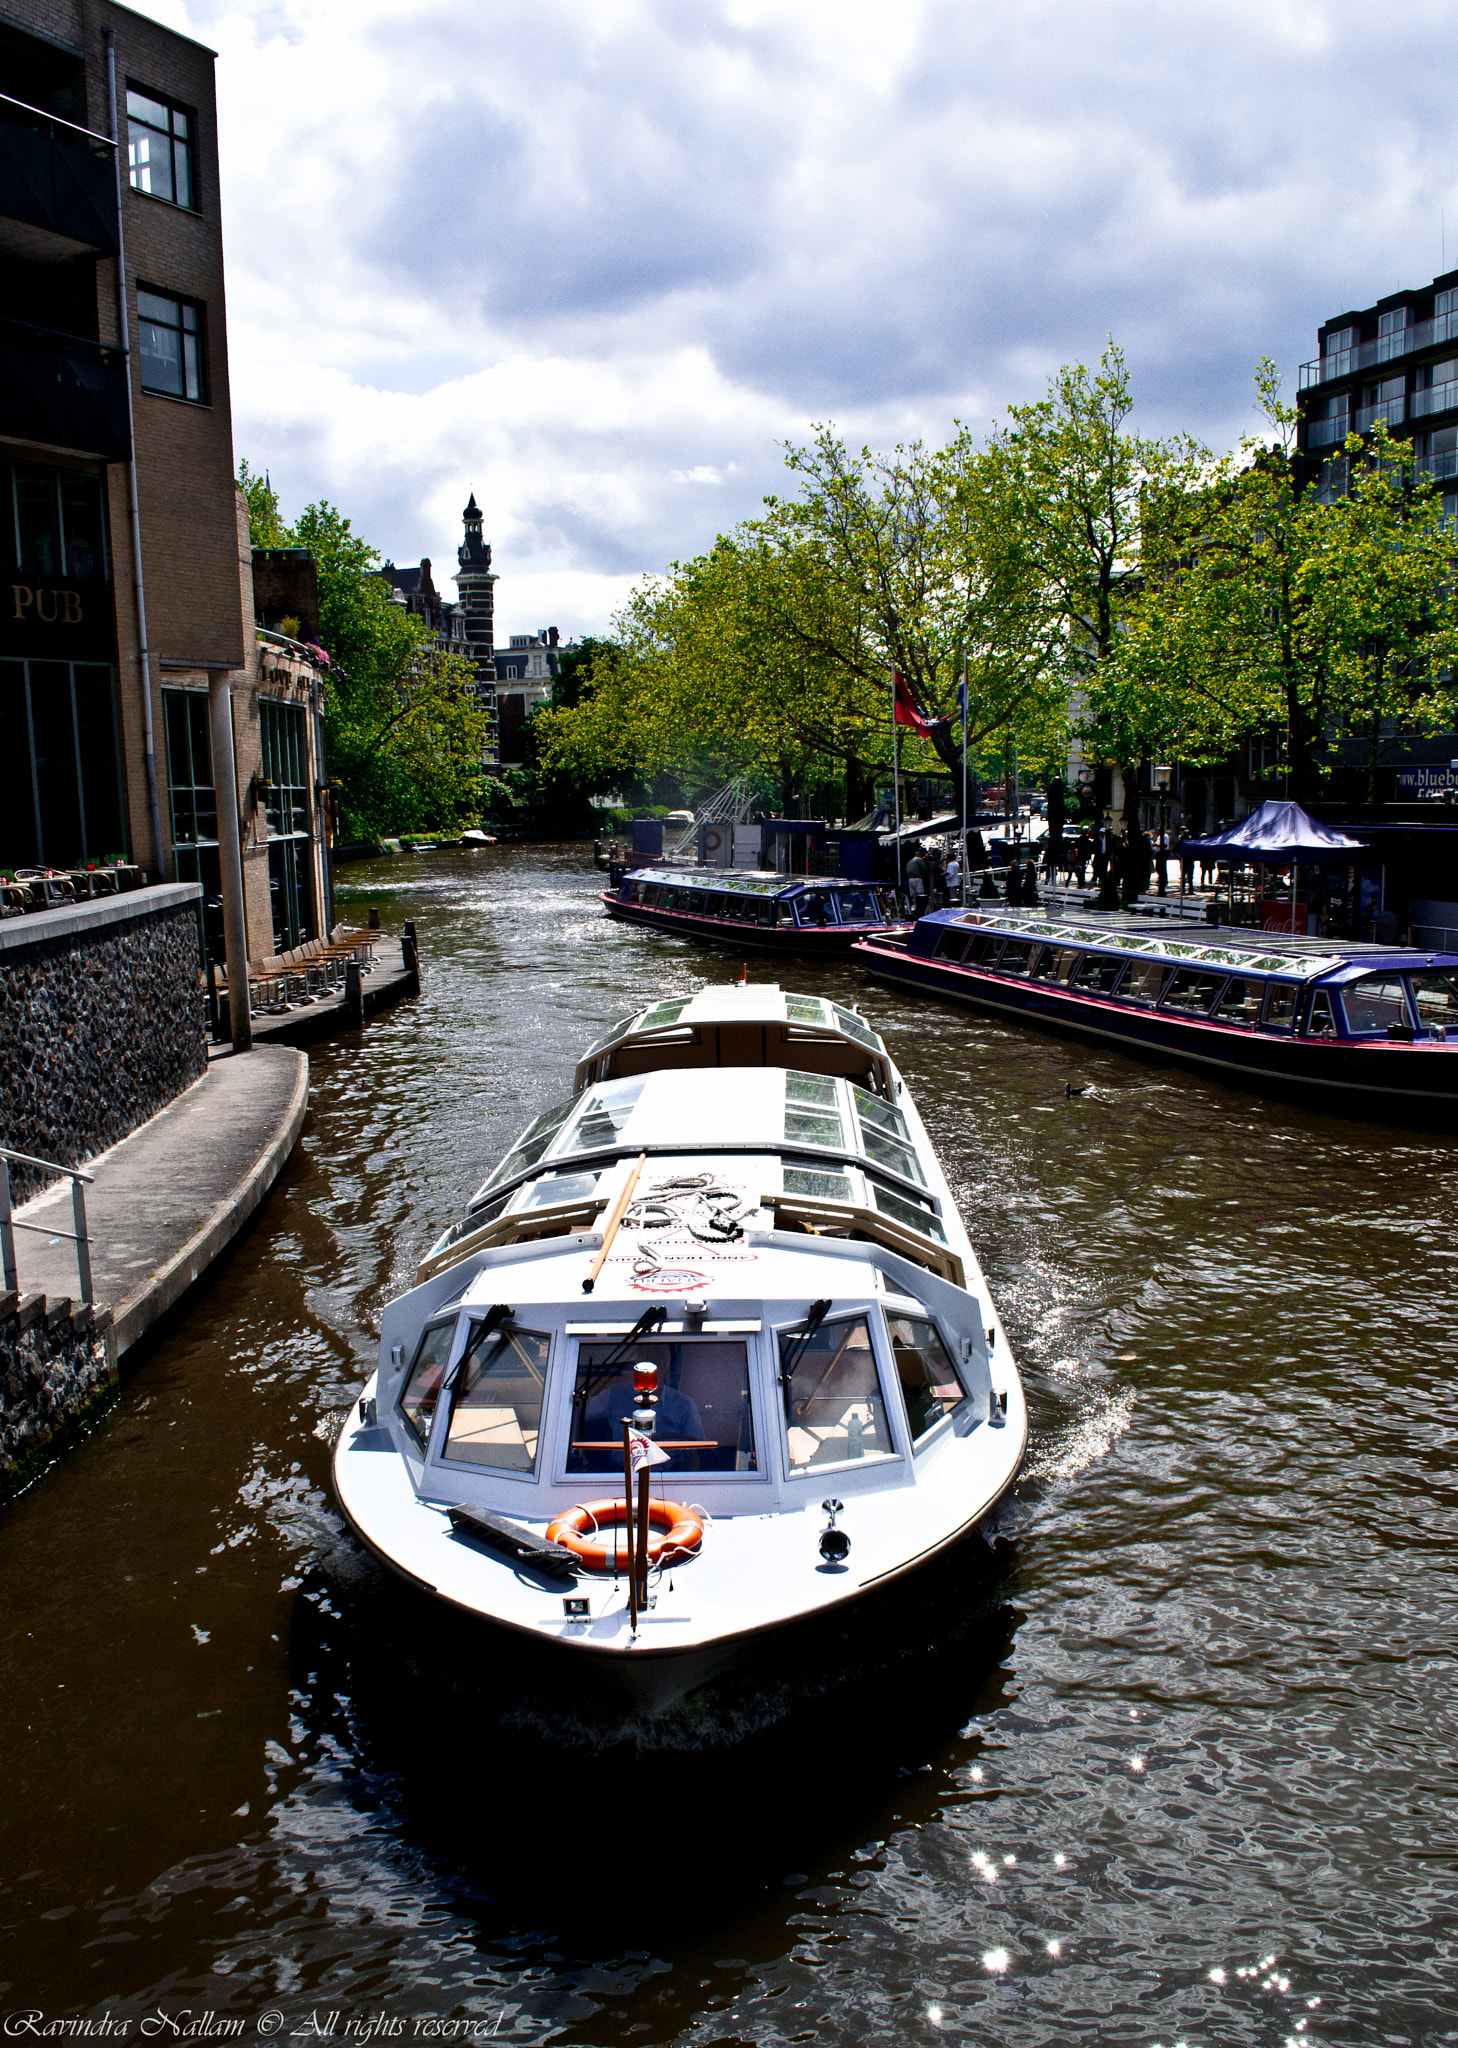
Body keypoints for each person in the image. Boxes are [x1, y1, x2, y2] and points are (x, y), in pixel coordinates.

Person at [906, 845, 929, 913]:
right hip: (917, 878)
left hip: (910, 879)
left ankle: (914, 908)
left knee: (913, 895)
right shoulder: (919, 860)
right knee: (920, 894)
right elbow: (924, 869)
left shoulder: (910, 861)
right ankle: (920, 909)